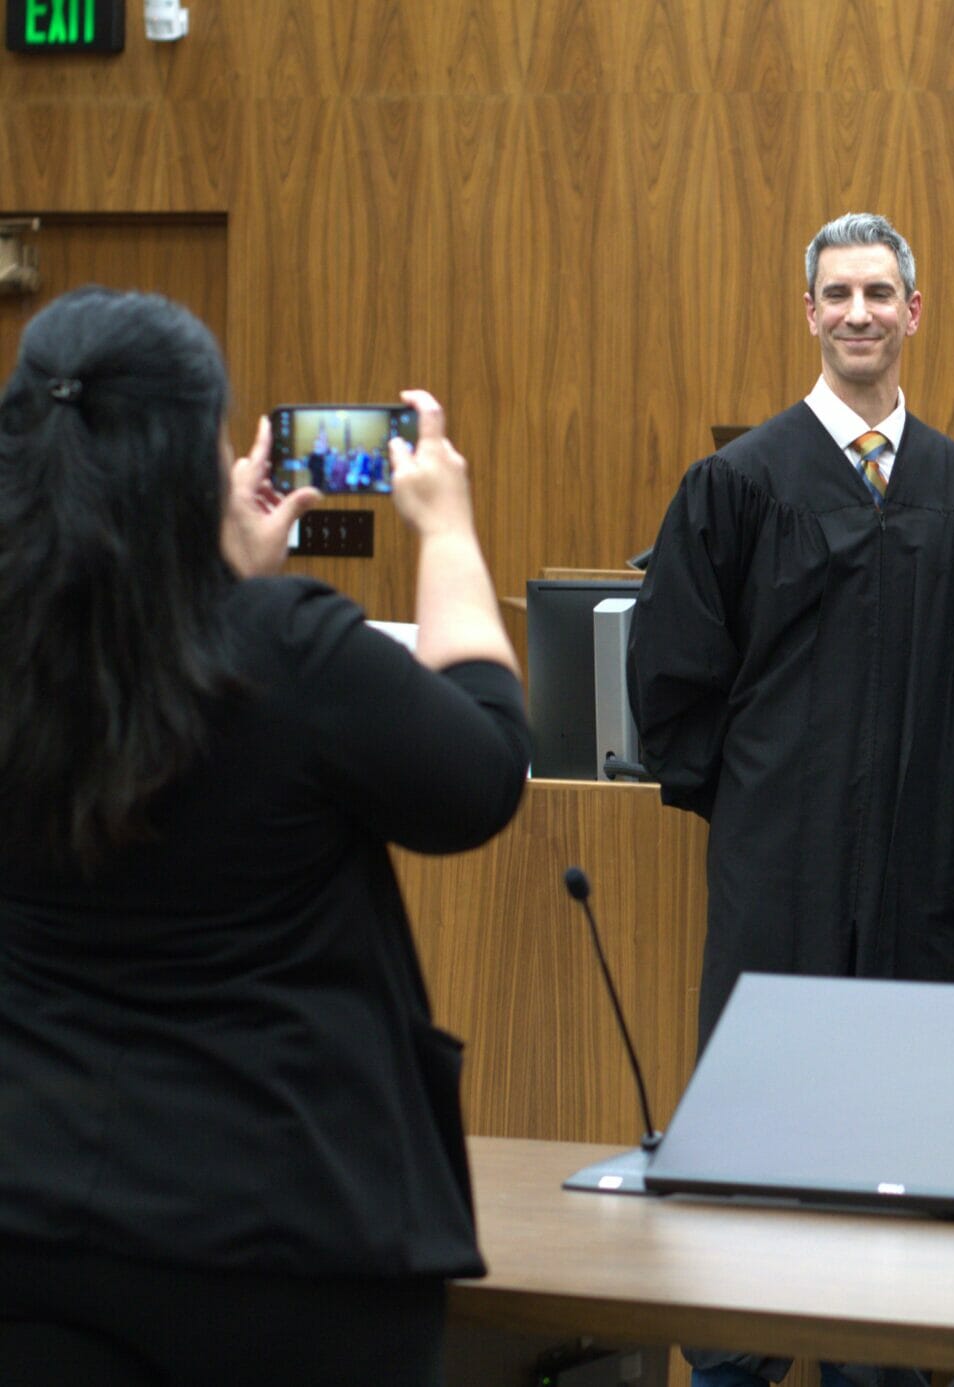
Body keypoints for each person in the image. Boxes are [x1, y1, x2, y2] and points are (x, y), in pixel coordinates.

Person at [0, 288, 529, 1384]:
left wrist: (215, 582)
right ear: (196, 455)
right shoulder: (283, 646)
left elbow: (143, 681)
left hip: (33, 1211)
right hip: (279, 1227)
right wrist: (446, 534)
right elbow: (477, 773)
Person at [628, 216, 954, 1387]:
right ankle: (740, 1351)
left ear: (914, 310)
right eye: (836, 293)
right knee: (762, 1114)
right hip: (777, 865)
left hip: (918, 862)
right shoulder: (738, 483)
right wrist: (767, 808)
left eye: (879, 292)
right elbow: (672, 685)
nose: (858, 312)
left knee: (903, 1119)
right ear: (807, 312)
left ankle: (886, 1359)